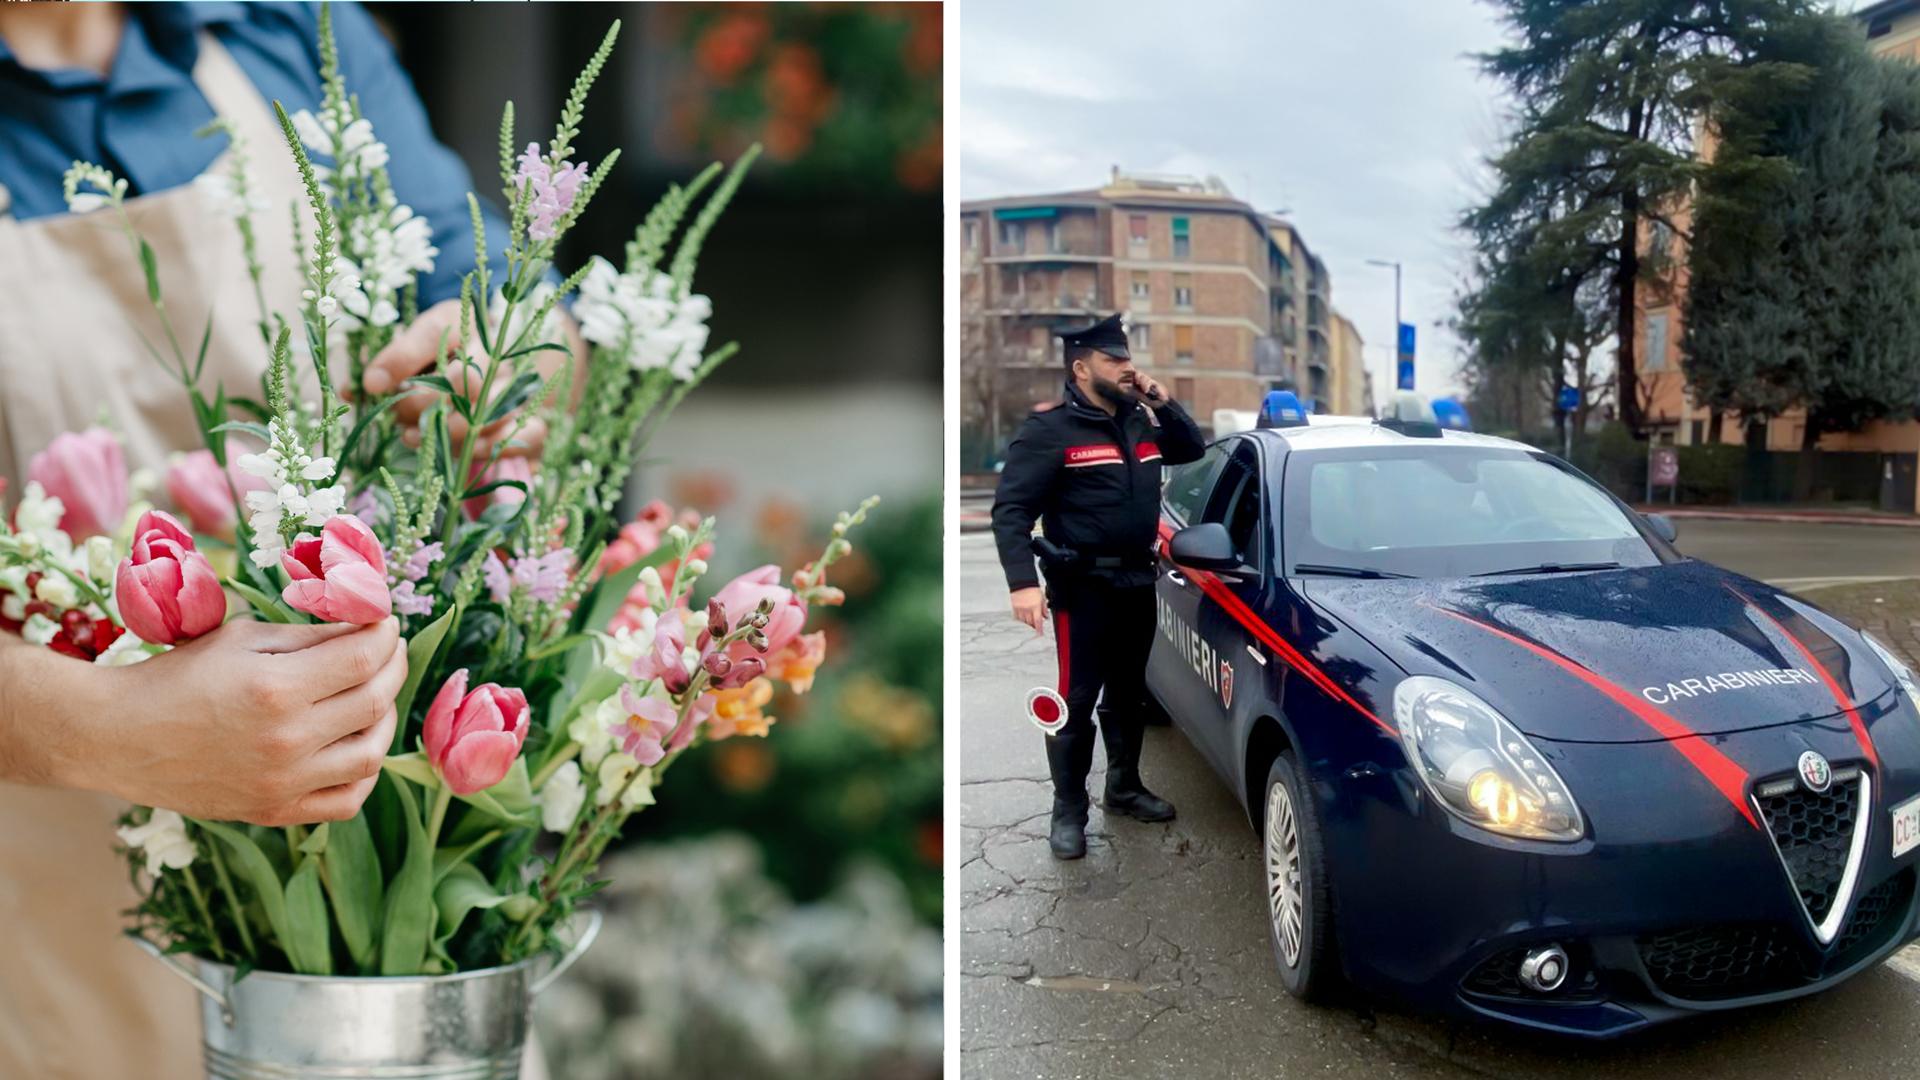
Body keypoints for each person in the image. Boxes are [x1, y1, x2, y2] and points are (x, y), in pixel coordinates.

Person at [0, 5, 574, 1076]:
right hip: (47, 944)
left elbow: (509, 300)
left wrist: (500, 370)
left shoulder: (287, 30)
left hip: (399, 942)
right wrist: (95, 728)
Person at [991, 313, 1206, 860]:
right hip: (1082, 587)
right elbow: (1011, 511)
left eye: (1128, 358)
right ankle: (1068, 812)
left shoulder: (1139, 421)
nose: (1127, 368)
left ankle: (1124, 787)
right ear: (1082, 367)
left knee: (1129, 692)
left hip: (1138, 578)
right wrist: (1022, 584)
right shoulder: (1050, 431)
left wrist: (1159, 397)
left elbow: (1191, 449)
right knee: (1076, 697)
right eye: (1115, 360)